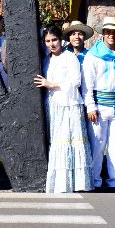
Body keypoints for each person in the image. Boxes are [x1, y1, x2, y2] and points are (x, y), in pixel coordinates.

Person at [34, 24, 92, 193]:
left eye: (54, 40)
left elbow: (75, 81)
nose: (52, 44)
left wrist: (50, 84)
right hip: (53, 104)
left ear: (61, 40)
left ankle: (77, 182)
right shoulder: (46, 60)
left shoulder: (70, 57)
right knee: (57, 143)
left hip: (69, 105)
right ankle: (60, 183)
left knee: (70, 142)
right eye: (48, 41)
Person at [82, 16, 115, 190]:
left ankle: (113, 181)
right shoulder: (92, 56)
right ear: (103, 33)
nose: (111, 35)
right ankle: (95, 180)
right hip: (99, 105)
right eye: (108, 31)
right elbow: (87, 84)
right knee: (97, 145)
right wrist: (90, 106)